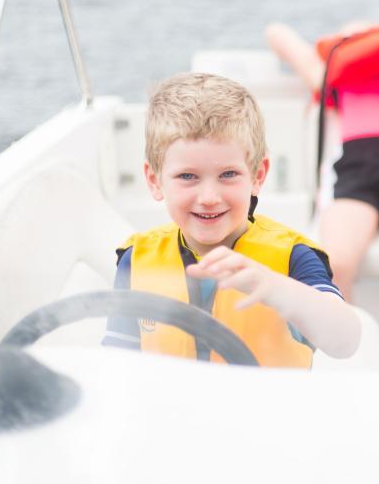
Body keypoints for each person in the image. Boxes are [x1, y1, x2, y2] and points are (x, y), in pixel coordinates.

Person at [103, 72, 360, 366]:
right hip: (172, 412)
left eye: (228, 174)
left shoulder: (293, 257)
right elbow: (117, 363)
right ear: (155, 180)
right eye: (188, 176)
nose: (209, 196)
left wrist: (277, 287)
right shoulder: (134, 261)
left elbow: (345, 341)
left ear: (258, 175)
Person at [264, 21, 379, 350]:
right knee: (337, 263)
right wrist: (343, 43)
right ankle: (354, 358)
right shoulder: (334, 69)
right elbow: (277, 34)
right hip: (355, 173)